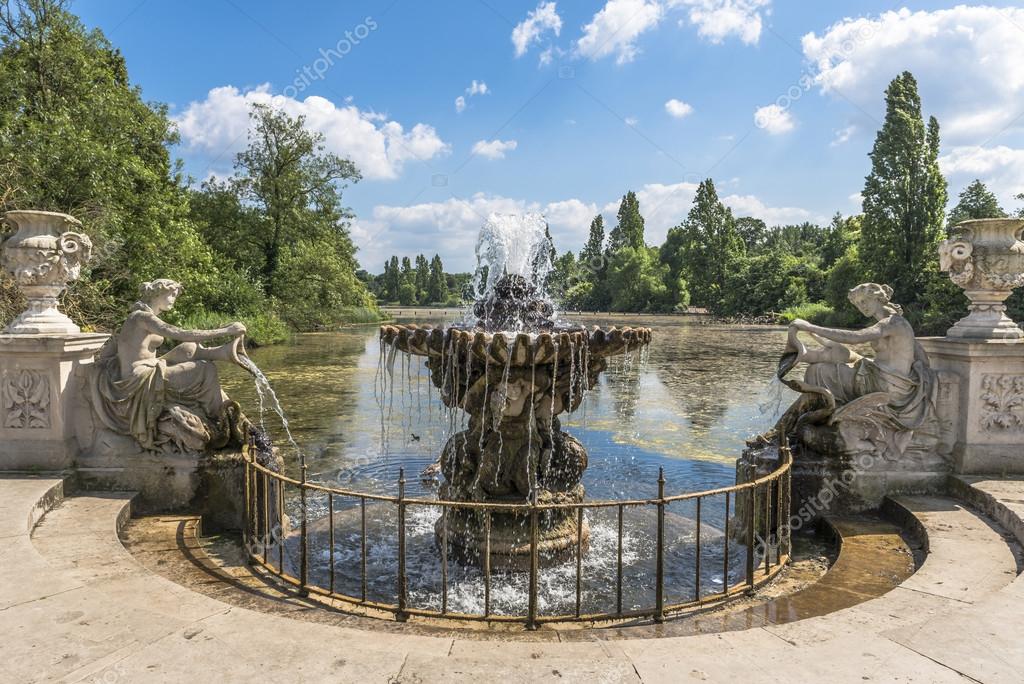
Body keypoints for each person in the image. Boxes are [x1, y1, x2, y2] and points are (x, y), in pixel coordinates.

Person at [91, 279, 249, 453]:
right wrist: (226, 331)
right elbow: (179, 333)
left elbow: (114, 348)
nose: (173, 299)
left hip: (149, 367)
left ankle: (225, 352)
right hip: (140, 379)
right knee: (206, 369)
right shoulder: (142, 317)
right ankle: (219, 420)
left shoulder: (139, 316)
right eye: (171, 295)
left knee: (188, 349)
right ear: (158, 294)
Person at [781, 283, 936, 443]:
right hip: (886, 379)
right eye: (858, 304)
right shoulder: (897, 322)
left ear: (877, 298)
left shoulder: (892, 323)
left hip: (886, 385)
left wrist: (811, 326)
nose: (862, 307)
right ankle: (807, 355)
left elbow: (855, 337)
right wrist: (812, 331)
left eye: (864, 301)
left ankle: (815, 418)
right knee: (847, 354)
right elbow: (922, 358)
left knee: (817, 371)